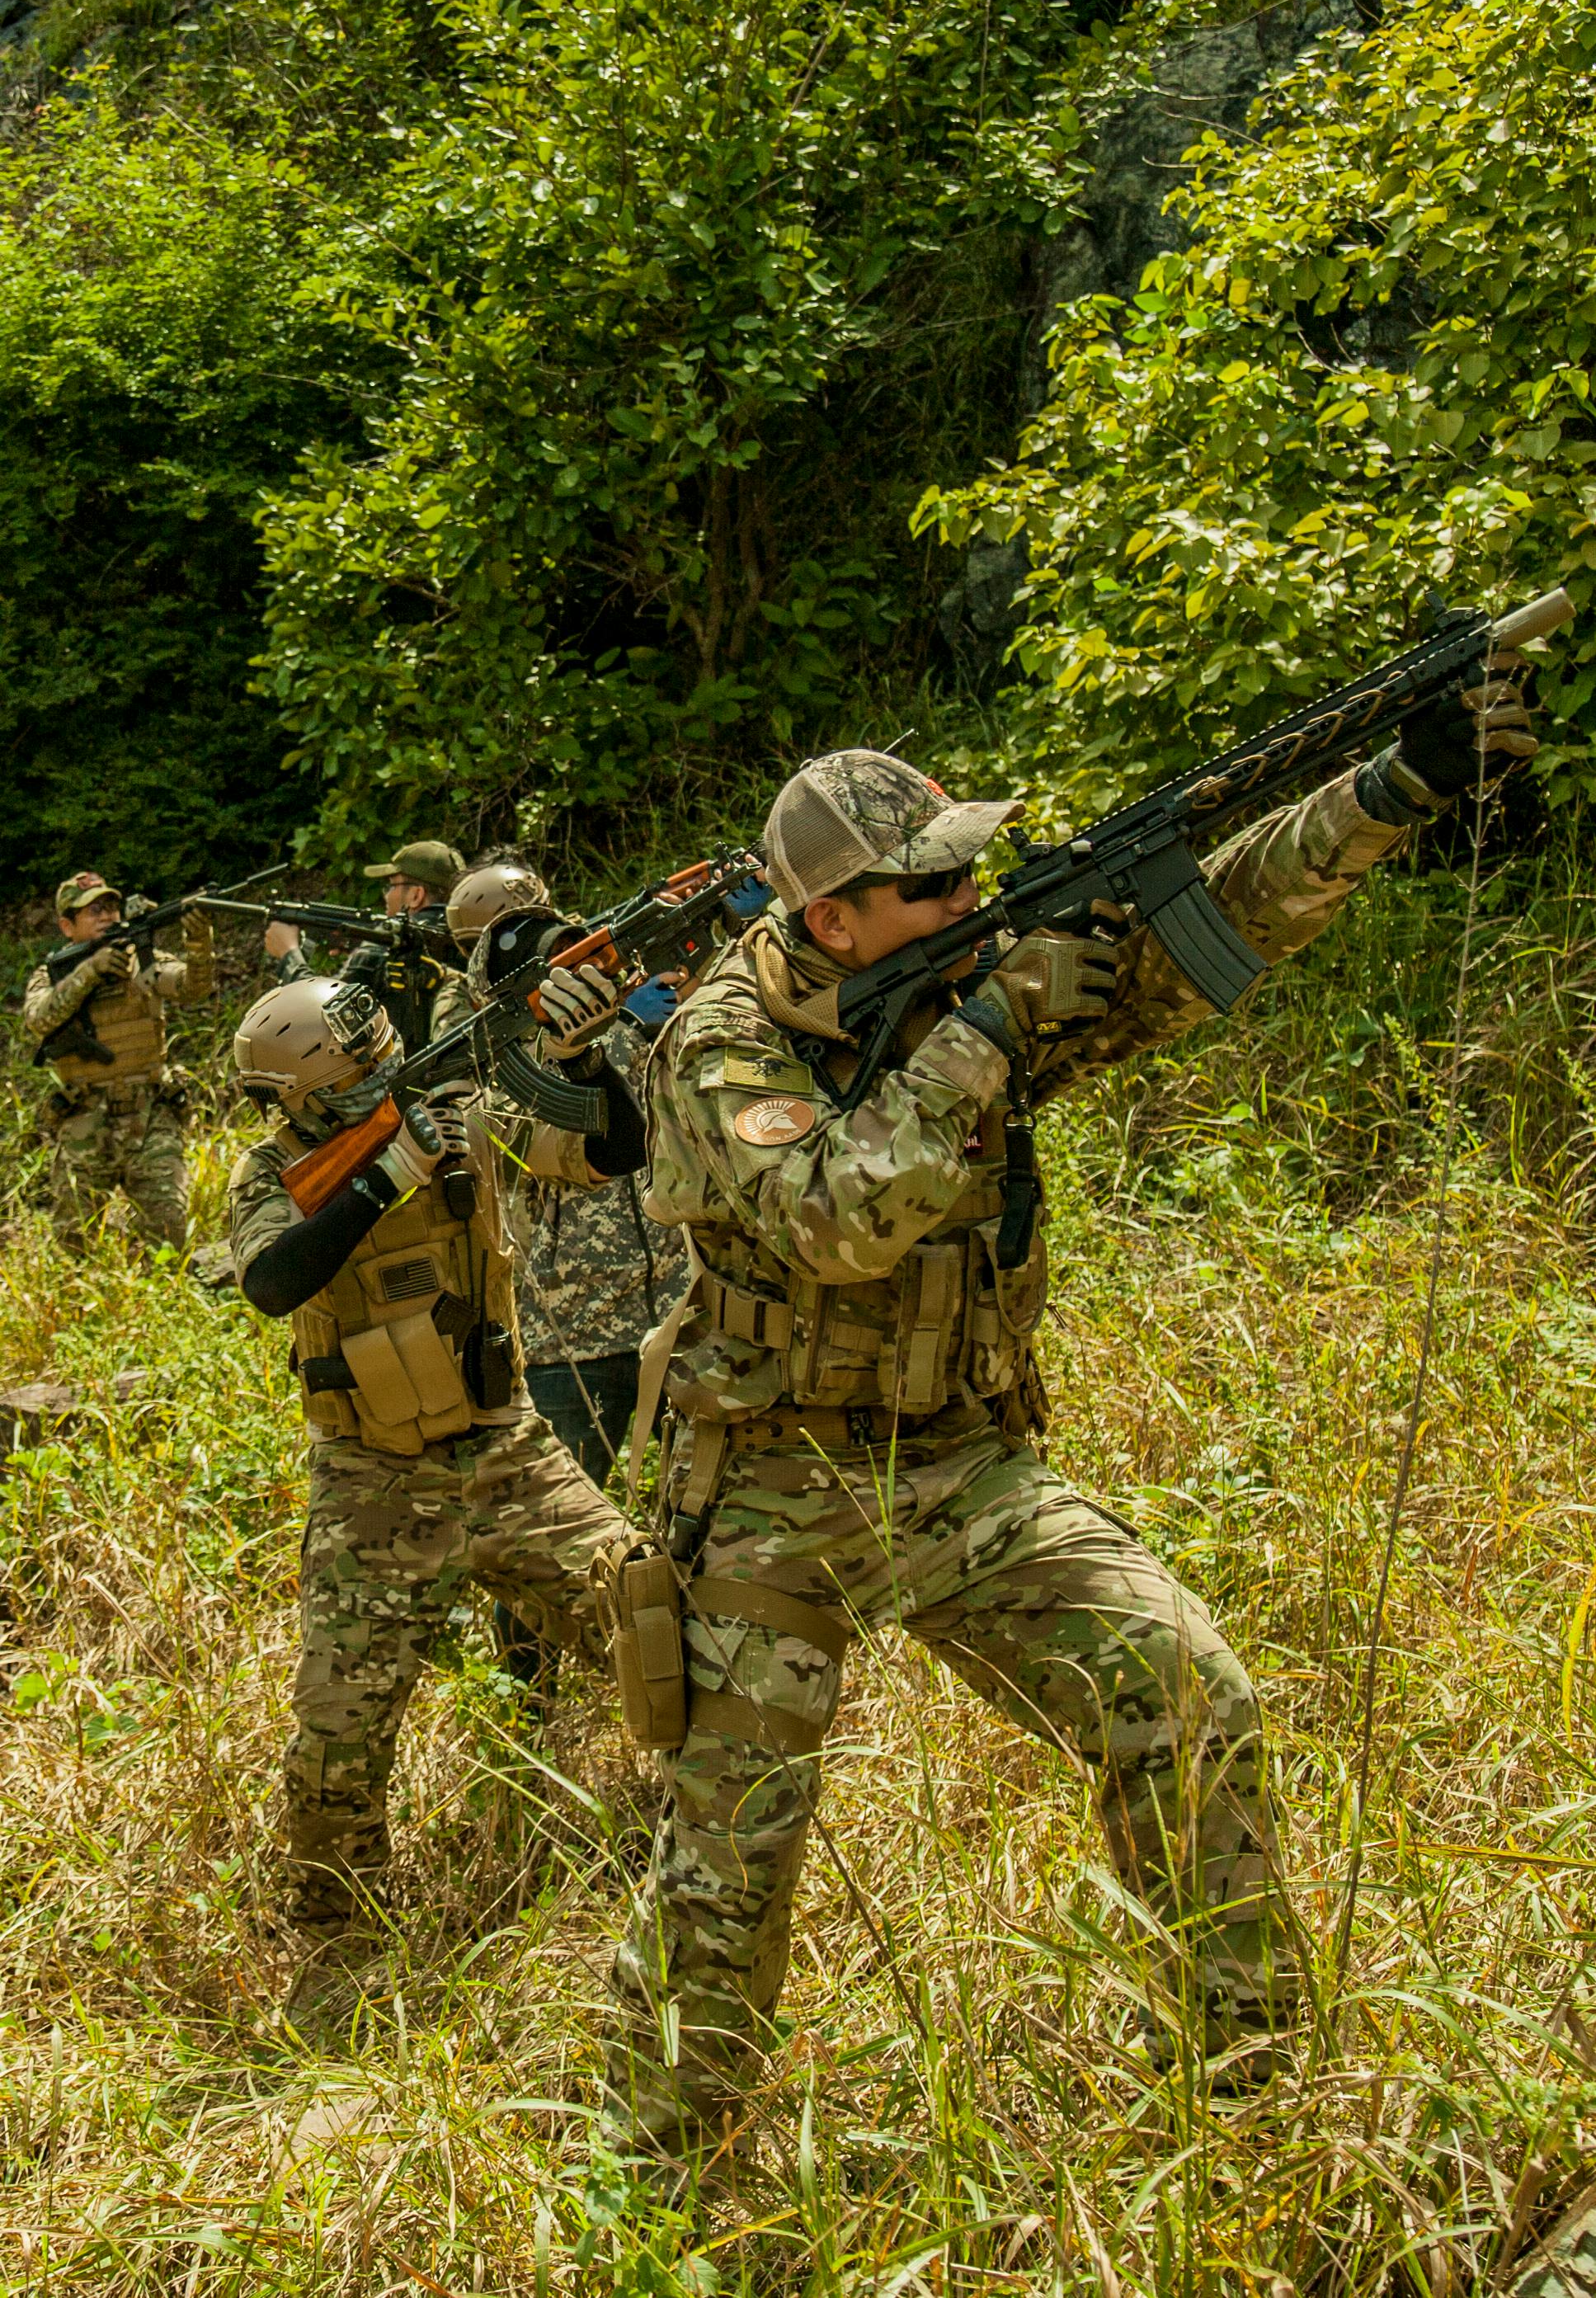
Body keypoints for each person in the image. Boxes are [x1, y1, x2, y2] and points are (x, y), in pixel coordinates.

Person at [600, 675, 1538, 2156]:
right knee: (726, 1869)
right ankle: (648, 2185)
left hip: (967, 1464)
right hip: (774, 1490)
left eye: (975, 872)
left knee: (1189, 1692)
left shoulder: (957, 976)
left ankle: (1258, 2105)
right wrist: (985, 1025)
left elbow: (1198, 925)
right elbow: (844, 1218)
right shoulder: (722, 1042)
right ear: (833, 918)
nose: (973, 898)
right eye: (933, 886)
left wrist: (1384, 796)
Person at [228, 954, 643, 1938]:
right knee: (337, 1741)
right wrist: (388, 1176)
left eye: (389, 1066)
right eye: (362, 1086)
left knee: (658, 1622)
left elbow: (614, 1152)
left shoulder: (472, 1115)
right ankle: (340, 1940)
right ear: (308, 1104)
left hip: (509, 1449)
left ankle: (696, 1838)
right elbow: (272, 1281)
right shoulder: (268, 1170)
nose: (390, 1086)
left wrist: (583, 1065)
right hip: (373, 1479)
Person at [445, 860, 693, 1698]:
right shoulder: (493, 1065)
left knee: (687, 1516)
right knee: (545, 1541)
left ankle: (674, 1678)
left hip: (672, 1311)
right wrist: (566, 1052)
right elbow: (572, 1139)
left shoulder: (624, 1017)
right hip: (565, 1335)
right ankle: (531, 1696)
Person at [21, 872, 214, 1251]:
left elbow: (192, 987)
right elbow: (39, 1018)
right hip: (84, 1118)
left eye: (111, 905)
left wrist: (199, 942)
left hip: (149, 1113)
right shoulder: (51, 974)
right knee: (73, 1239)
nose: (107, 915)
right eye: (93, 910)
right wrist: (89, 972)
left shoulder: (141, 960)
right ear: (67, 925)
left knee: (170, 1232)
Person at [265, 839, 468, 1052]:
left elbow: (321, 1016)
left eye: (391, 886)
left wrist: (289, 954)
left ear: (416, 896)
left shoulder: (386, 945)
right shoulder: (470, 937)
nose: (387, 895)